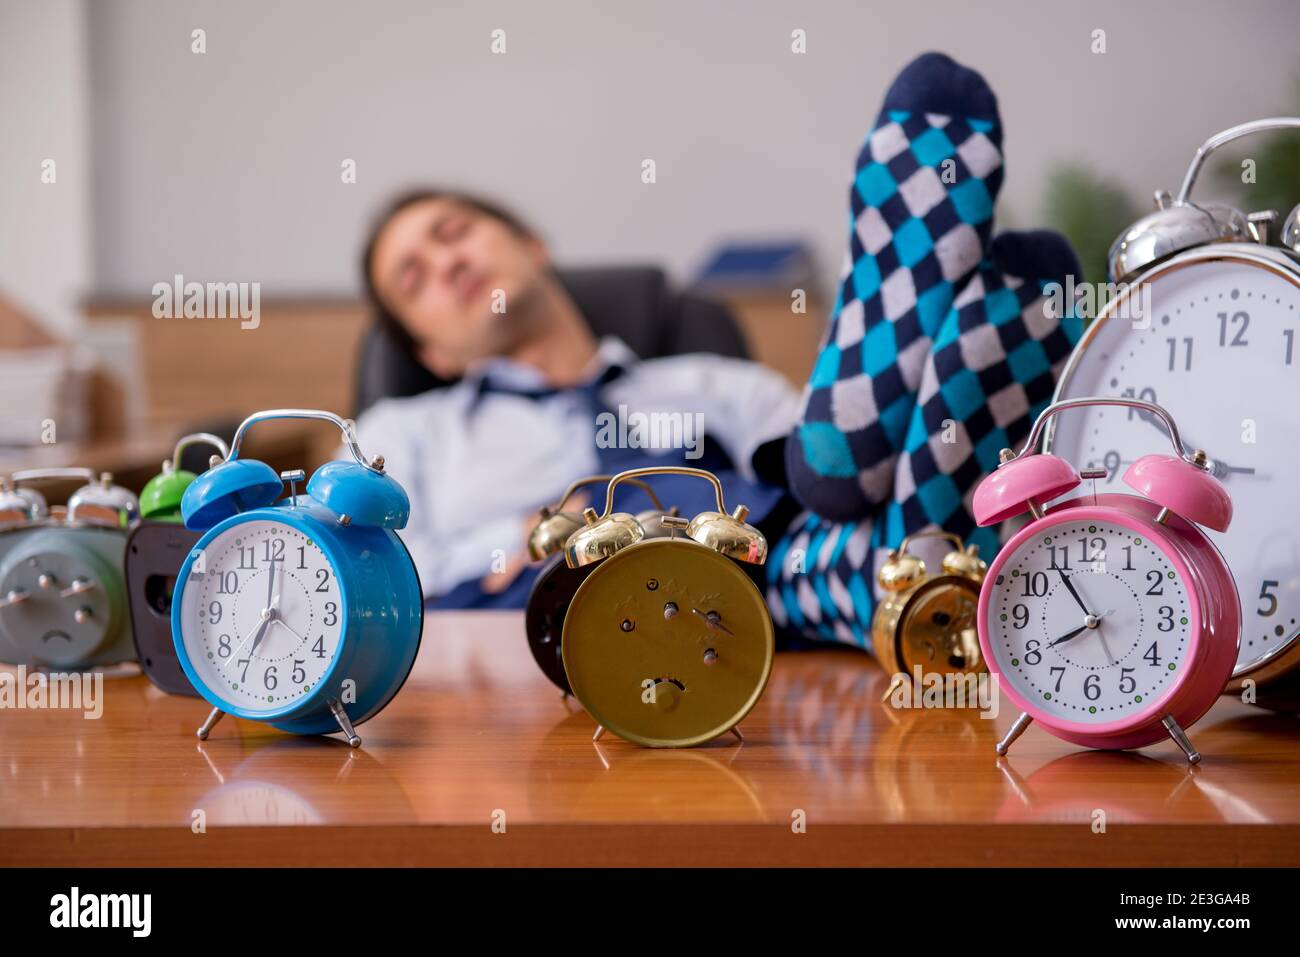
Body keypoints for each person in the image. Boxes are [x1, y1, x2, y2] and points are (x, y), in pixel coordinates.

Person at [353, 51, 1082, 648]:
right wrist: (535, 528)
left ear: (532, 245)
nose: (446, 264)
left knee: (827, 489)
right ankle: (908, 489)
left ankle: (897, 564)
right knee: (635, 505)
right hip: (553, 632)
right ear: (431, 352)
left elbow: (822, 490)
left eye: (454, 232)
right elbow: (373, 574)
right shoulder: (404, 433)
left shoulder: (712, 380)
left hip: (741, 605)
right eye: (413, 277)